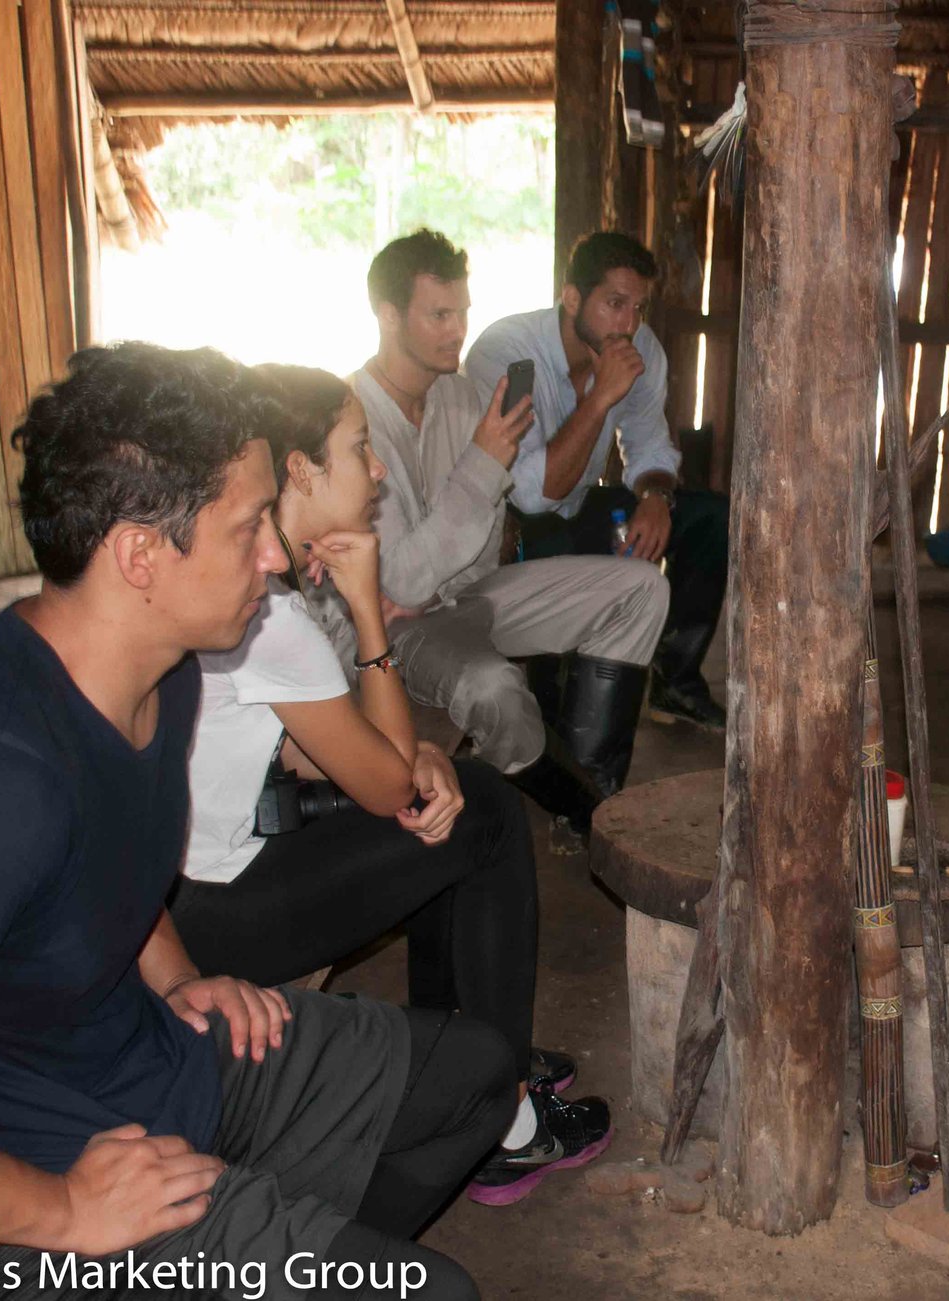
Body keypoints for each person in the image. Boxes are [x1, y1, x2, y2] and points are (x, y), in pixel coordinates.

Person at [0, 344, 513, 1300]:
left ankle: (264, 1242)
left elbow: (97, 863)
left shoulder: (158, 672)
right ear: (138, 553)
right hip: (4, 1176)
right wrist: (64, 1213)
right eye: (248, 527)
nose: (276, 555)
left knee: (475, 1077)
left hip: (133, 1060)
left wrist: (175, 976)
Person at [169, 363, 613, 1208]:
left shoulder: (246, 584)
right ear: (297, 471)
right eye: (356, 448)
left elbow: (335, 751)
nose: (374, 471)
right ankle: (506, 1116)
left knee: (444, 807)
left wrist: (416, 761)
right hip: (211, 918)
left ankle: (464, 1058)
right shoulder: (272, 613)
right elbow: (381, 782)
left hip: (197, 877)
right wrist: (371, 612)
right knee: (479, 813)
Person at [326, 228, 668, 834]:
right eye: (438, 314)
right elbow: (402, 580)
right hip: (389, 633)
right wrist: (482, 464)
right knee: (495, 686)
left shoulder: (461, 398)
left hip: (464, 597)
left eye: (461, 312)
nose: (457, 331)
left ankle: (596, 784)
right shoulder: (350, 418)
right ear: (387, 315)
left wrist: (430, 571)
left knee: (642, 587)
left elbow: (480, 550)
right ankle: (577, 809)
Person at [468, 230, 730, 731]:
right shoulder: (509, 355)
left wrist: (655, 496)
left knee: (709, 518)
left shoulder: (640, 347)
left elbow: (650, 444)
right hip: (515, 528)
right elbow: (532, 494)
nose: (629, 324)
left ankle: (675, 681)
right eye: (614, 303)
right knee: (549, 712)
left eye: (639, 307)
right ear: (572, 298)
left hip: (579, 506)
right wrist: (598, 396)